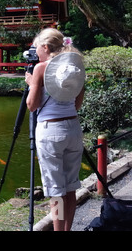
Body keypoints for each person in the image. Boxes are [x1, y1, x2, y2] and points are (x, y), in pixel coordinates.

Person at [25, 28, 86, 231]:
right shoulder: (75, 66)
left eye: (36, 48)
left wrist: (32, 83)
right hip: (73, 129)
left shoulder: (41, 68)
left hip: (50, 131)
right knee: (70, 187)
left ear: (45, 47)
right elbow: (77, 104)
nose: (35, 53)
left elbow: (32, 105)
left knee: (56, 191)